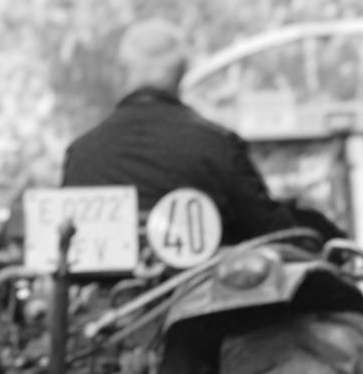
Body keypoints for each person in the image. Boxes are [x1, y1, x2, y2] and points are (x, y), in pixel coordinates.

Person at [58, 19, 316, 250]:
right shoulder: (217, 146)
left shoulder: (81, 155)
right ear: (182, 73)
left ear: (123, 71)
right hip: (204, 299)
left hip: (108, 301)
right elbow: (267, 229)